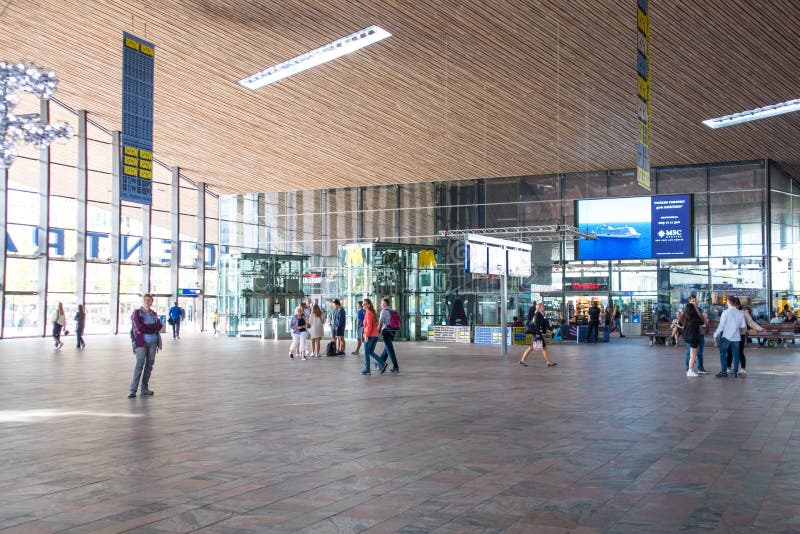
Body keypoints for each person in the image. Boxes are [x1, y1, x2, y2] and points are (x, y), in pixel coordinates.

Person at [129, 293, 163, 398]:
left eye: (149, 300)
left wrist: (149, 327)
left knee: (149, 365)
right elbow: (139, 328)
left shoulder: (154, 314)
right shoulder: (137, 313)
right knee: (139, 364)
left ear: (152, 301)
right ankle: (133, 390)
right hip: (141, 343)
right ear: (143, 301)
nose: (147, 302)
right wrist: (152, 328)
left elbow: (159, 326)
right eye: (145, 300)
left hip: (153, 343)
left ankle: (144, 388)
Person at [713, 296, 747, 377]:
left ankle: (724, 372)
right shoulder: (740, 313)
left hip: (727, 336)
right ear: (735, 302)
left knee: (722, 353)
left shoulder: (725, 312)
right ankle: (735, 372)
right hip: (736, 337)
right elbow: (743, 325)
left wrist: (715, 334)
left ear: (728, 302)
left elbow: (721, 326)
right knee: (736, 354)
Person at [727, 302, 764, 375]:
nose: (732, 306)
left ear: (738, 305)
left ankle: (742, 368)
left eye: (734, 305)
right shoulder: (728, 312)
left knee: (740, 351)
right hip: (731, 335)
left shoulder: (743, 313)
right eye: (731, 305)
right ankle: (728, 367)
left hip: (741, 334)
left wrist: (760, 328)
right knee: (729, 351)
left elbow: (751, 322)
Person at [519, 303, 557, 367]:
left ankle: (522, 360)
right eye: (543, 307)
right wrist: (537, 334)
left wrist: (546, 330)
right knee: (541, 347)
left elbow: (542, 324)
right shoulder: (537, 314)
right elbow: (536, 324)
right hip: (536, 333)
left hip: (536, 333)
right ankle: (548, 362)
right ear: (539, 307)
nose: (544, 308)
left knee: (533, 347)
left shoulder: (539, 314)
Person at [360, 299, 386, 375]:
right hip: (375, 335)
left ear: (369, 305)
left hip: (370, 336)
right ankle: (382, 363)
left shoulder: (368, 313)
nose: (363, 306)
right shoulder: (372, 313)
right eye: (363, 304)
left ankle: (367, 369)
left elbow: (369, 326)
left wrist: (366, 336)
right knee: (371, 352)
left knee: (367, 353)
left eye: (365, 304)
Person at [684, 295, 708, 374]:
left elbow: (704, 323)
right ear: (689, 302)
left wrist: (704, 317)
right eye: (692, 301)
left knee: (700, 352)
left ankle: (700, 368)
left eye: (695, 301)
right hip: (692, 335)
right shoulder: (687, 311)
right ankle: (688, 368)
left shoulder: (700, 310)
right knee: (689, 352)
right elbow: (682, 323)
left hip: (700, 333)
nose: (694, 303)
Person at [680, 302, 703, 377]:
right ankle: (690, 370)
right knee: (693, 355)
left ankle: (690, 367)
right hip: (693, 337)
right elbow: (702, 322)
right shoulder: (696, 317)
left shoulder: (684, 316)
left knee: (691, 353)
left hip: (686, 336)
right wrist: (697, 310)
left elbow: (679, 324)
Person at [378, 297, 399, 373]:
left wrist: (378, 331)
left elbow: (380, 322)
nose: (381, 304)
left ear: (385, 303)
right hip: (393, 331)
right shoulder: (392, 310)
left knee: (390, 350)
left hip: (386, 331)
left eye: (381, 303)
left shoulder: (384, 311)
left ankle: (396, 367)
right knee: (387, 349)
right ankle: (379, 363)